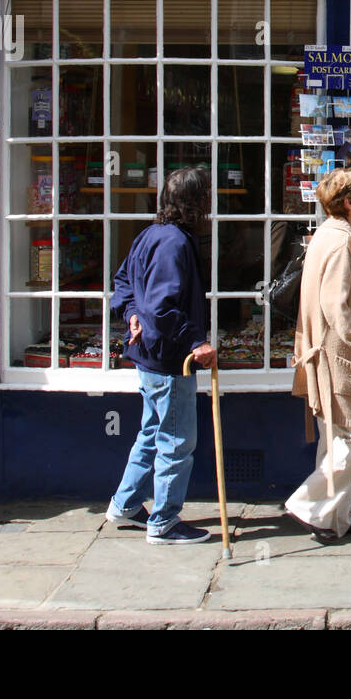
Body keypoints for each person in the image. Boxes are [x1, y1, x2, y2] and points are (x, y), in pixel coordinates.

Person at [107, 167, 217, 545]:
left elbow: (122, 283)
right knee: (176, 441)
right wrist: (195, 342)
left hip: (150, 356)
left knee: (152, 432)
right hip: (170, 360)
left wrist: (131, 312)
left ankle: (125, 504)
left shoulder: (150, 235)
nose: (210, 204)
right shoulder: (174, 243)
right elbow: (163, 306)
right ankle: (164, 522)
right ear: (195, 203)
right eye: (206, 197)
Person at [287, 168, 351, 543]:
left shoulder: (324, 236)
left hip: (320, 350)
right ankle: (309, 505)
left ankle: (334, 519)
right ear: (348, 203)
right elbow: (334, 305)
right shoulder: (342, 241)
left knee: (334, 438)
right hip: (335, 353)